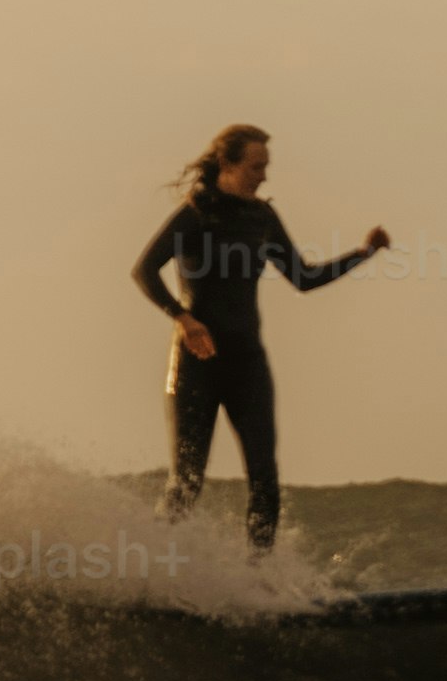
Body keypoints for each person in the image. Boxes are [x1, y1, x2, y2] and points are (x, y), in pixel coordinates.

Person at [127, 121, 388, 551]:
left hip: (247, 362)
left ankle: (259, 583)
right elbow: (143, 270)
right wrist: (182, 318)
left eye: (266, 166)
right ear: (227, 164)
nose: (264, 175)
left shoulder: (261, 218)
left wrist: (364, 254)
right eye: (255, 166)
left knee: (265, 479)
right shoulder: (197, 214)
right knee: (187, 481)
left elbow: (304, 277)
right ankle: (152, 572)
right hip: (197, 361)